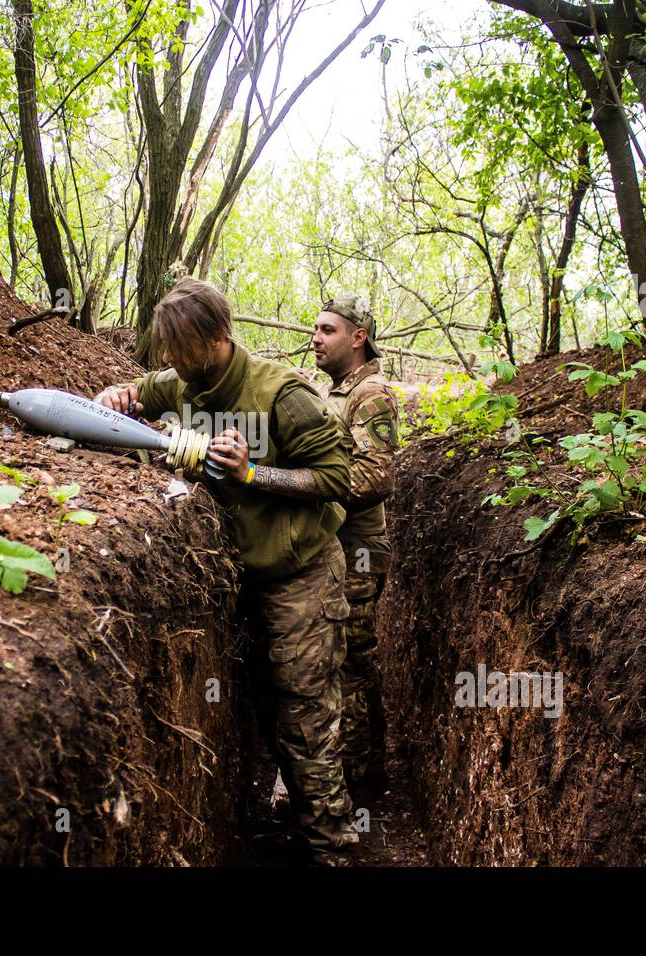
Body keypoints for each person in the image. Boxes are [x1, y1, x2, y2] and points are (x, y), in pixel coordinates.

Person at [94, 277, 359, 863]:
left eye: (177, 346)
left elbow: (338, 480)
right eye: (162, 349)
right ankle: (291, 816)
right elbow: (139, 391)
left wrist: (252, 475)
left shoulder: (283, 393)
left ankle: (332, 847)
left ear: (216, 337)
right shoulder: (179, 379)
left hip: (302, 573)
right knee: (264, 704)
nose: (167, 359)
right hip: (239, 575)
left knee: (306, 714)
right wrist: (117, 394)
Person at [310, 294, 399, 795]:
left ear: (357, 337)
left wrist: (308, 482)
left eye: (327, 330)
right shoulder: (337, 391)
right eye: (316, 329)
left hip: (359, 547)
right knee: (340, 656)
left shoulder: (372, 395)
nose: (315, 338)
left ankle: (362, 780)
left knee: (354, 660)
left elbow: (379, 475)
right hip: (336, 542)